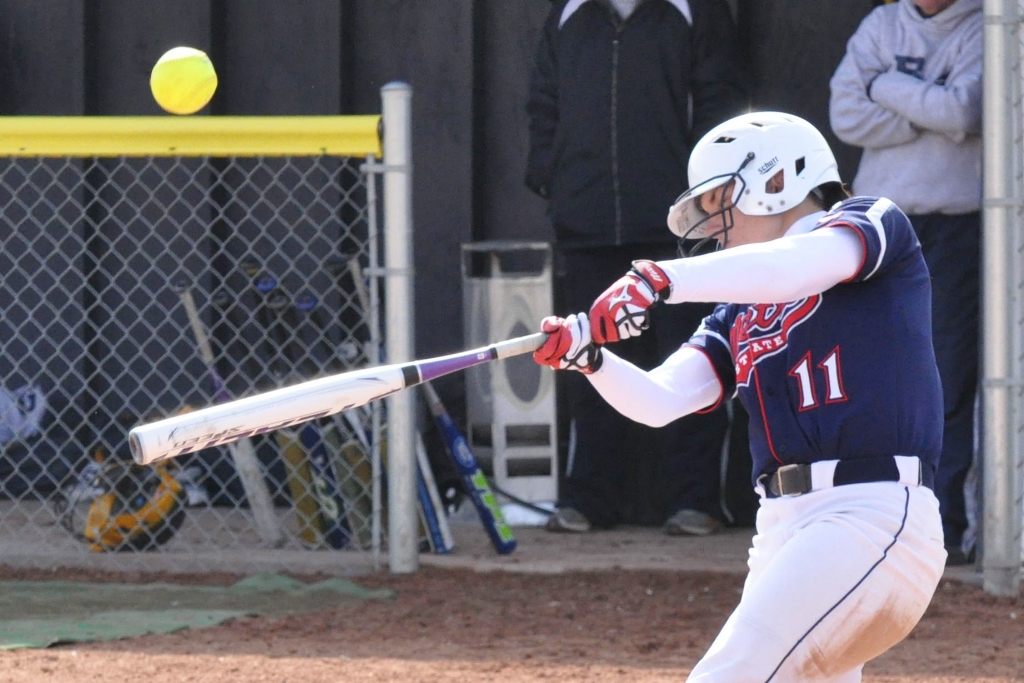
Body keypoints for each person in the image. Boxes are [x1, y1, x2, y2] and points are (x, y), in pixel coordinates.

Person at [534, 111, 948, 681]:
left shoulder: (872, 221)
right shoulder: (737, 313)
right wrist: (591, 360)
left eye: (721, 201)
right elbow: (661, 400)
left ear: (778, 180)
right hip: (783, 527)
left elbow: (796, 268)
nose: (715, 227)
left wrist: (661, 279)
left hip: (868, 512)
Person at [524, 0, 750, 535]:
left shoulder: (696, 13)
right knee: (587, 361)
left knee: (693, 361)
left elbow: (721, 110)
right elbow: (542, 104)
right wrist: (554, 180)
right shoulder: (568, 14)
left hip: (681, 234)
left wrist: (701, 204)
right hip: (588, 225)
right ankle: (589, 500)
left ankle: (695, 501)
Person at [828, 0, 982, 566]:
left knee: (946, 376)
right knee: (865, 374)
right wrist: (927, 106)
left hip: (957, 226)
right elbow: (845, 115)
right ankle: (868, 519)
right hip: (880, 228)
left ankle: (941, 524)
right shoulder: (880, 24)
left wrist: (886, 86)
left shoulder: (986, 24)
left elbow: (966, 110)